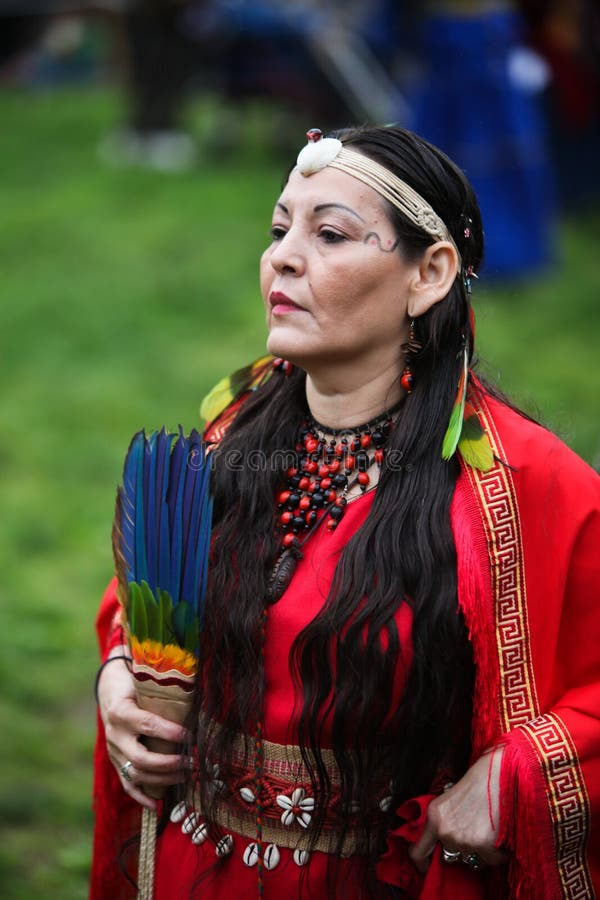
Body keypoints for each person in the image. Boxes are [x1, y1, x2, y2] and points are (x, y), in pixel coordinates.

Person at [90, 124, 600, 899]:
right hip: (198, 870)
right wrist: (120, 681)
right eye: (278, 228)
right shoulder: (235, 438)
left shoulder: (522, 485)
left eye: (328, 233)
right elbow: (141, 600)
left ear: (428, 273)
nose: (282, 257)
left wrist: (514, 773)